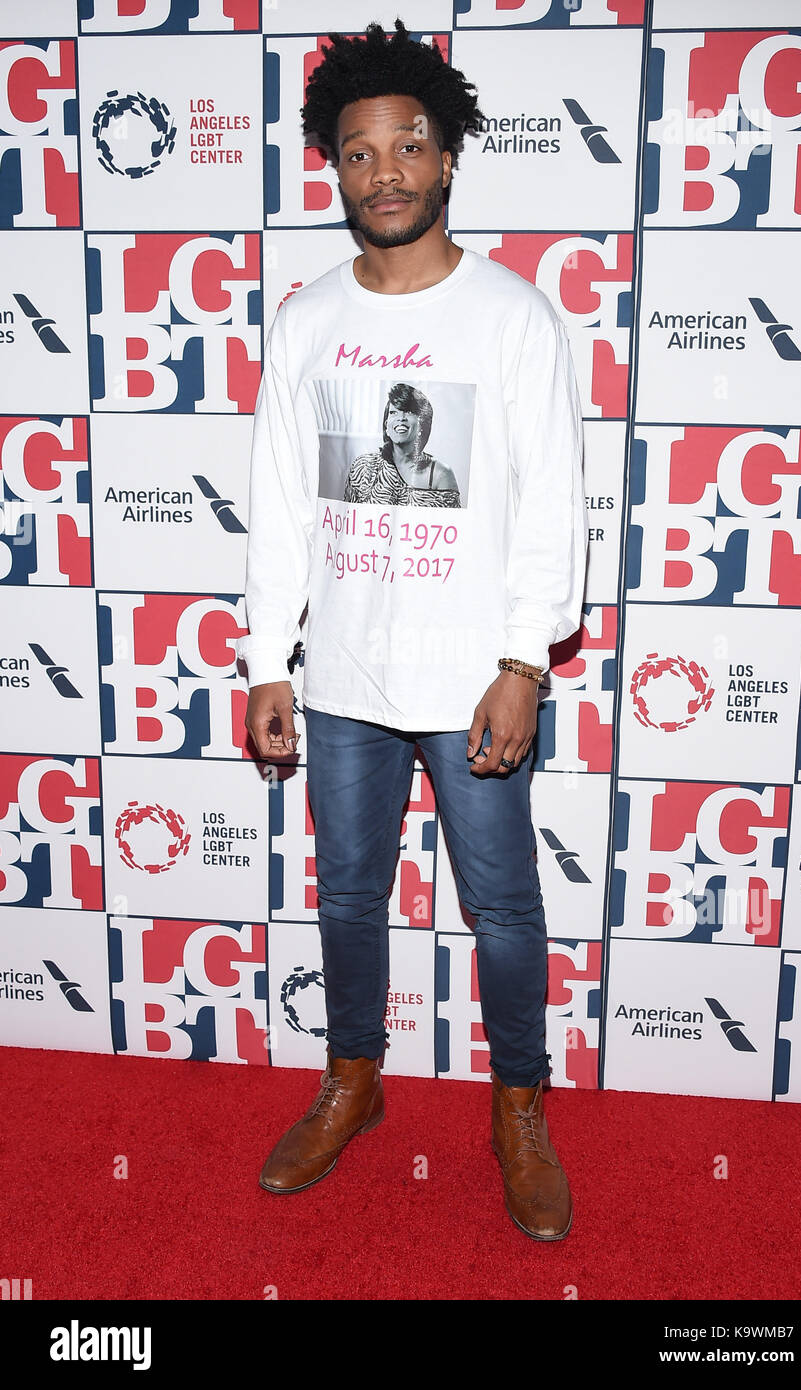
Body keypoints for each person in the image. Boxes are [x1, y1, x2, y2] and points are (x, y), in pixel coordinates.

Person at [236, 19, 587, 1241]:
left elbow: (551, 501)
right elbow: (280, 499)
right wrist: (264, 657)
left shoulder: (510, 318)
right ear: (334, 168)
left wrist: (520, 661)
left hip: (470, 676)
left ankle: (518, 1107)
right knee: (344, 897)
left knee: (501, 902)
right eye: (357, 152)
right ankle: (353, 1080)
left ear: (447, 159)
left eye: (407, 146)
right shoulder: (308, 320)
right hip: (341, 674)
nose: (383, 171)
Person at [344, 381, 461, 506]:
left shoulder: (441, 474)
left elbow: (451, 523)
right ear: (386, 426)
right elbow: (350, 517)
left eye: (409, 412)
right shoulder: (364, 467)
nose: (401, 418)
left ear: (422, 425)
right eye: (393, 413)